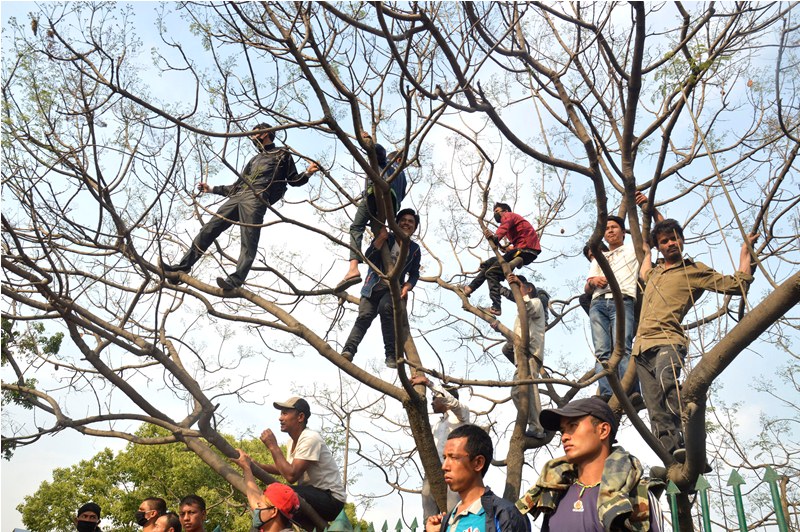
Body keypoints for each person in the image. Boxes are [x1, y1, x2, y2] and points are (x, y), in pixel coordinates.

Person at [635, 217, 758, 464]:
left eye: (674, 238)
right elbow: (643, 271)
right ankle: (674, 457)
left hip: (668, 338)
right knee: (655, 408)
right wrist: (646, 251)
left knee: (666, 379)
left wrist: (745, 254)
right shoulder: (655, 272)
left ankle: (688, 441)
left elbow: (735, 285)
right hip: (640, 347)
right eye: (664, 241)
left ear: (682, 240)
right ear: (659, 246)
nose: (670, 243)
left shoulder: (693, 270)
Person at [163, 123, 319, 290]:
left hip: (257, 197)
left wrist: (308, 173)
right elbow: (237, 186)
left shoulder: (282, 154)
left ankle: (235, 280)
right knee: (209, 229)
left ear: (265, 134)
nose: (252, 138)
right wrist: (212, 189)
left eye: (254, 135)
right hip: (239, 196)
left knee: (248, 239)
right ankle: (182, 268)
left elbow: (293, 180)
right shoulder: (254, 159)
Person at [516, 397, 664, 531]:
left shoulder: (636, 495)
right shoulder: (553, 493)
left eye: (573, 426)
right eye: (562, 431)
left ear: (603, 430)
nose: (565, 437)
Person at [340, 208, 422, 368]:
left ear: (414, 227)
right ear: (396, 223)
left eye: (411, 221)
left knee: (386, 310)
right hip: (372, 287)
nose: (406, 223)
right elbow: (369, 257)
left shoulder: (414, 249)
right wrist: (380, 240)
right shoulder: (387, 238)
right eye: (403, 220)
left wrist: (408, 285)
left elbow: (414, 273)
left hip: (392, 290)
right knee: (364, 317)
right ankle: (348, 350)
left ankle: (391, 355)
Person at [254, 396, 346, 522]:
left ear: (300, 417)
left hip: (331, 500)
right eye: (281, 413)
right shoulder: (291, 441)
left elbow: (291, 475)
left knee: (279, 494)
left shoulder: (310, 438)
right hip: (312, 494)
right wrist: (257, 465)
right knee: (276, 499)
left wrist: (273, 446)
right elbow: (286, 467)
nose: (280, 418)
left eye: (285, 413)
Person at [425, 424, 531, 532]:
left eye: (453, 457)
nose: (444, 466)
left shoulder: (505, 515)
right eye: (444, 458)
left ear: (478, 463)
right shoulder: (447, 521)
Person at [337, 132, 408, 291]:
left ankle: (353, 269)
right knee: (379, 232)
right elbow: (401, 196)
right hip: (392, 208)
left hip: (374, 196)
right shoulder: (403, 177)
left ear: (395, 159)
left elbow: (379, 153)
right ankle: (382, 235)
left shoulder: (389, 163)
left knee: (356, 227)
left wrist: (369, 143)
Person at [410, 374, 473, 521]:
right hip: (434, 471)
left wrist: (429, 383)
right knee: (427, 500)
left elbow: (453, 403)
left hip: (455, 469)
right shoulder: (437, 425)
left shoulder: (461, 415)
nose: (432, 402)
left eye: (434, 398)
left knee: (453, 510)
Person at [463, 203, 541, 316]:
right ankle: (469, 288)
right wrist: (503, 247)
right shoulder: (514, 223)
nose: (495, 213)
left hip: (526, 250)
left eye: (497, 210)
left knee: (492, 272)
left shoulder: (508, 215)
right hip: (523, 250)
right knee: (490, 264)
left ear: (505, 211)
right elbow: (520, 239)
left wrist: (495, 237)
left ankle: (496, 307)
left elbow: (504, 227)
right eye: (494, 211)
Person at [495, 273, 546, 439]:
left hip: (530, 354)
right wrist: (499, 328)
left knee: (529, 390)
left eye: (520, 289)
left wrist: (521, 290)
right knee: (518, 392)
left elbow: (528, 309)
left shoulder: (536, 302)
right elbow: (516, 338)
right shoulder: (520, 315)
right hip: (522, 357)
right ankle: (534, 423)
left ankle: (537, 427)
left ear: (528, 289)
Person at [233, 449, 300, 532]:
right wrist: (246, 467)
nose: (257, 506)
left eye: (260, 505)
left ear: (274, 511)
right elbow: (253, 495)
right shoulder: (265, 524)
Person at [579, 242, 608, 315]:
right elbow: (587, 289)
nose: (595, 258)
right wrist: (593, 282)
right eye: (591, 256)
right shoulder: (594, 266)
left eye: (597, 253)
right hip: (601, 298)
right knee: (584, 298)